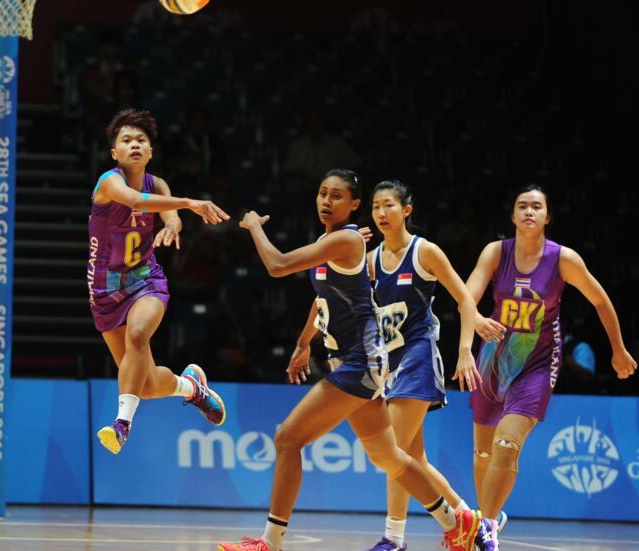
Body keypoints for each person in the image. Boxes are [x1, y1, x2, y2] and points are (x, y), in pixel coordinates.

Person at [219, 169, 481, 551]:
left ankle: (269, 543)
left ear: (353, 205)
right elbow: (321, 299)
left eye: (337, 196)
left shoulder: (344, 240)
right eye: (322, 194)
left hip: (361, 361)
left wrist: (255, 226)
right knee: (389, 456)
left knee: (288, 439)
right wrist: (304, 342)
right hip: (350, 360)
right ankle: (459, 523)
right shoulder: (334, 240)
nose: (327, 201)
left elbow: (277, 266)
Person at [465, 184, 636, 548]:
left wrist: (618, 350)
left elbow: (601, 301)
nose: (529, 211)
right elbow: (467, 297)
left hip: (538, 364)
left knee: (507, 444)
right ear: (512, 216)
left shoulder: (563, 259)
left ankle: (488, 526)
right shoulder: (496, 252)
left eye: (536, 207)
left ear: (547, 217)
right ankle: (486, 516)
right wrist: (471, 336)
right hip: (493, 360)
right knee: (482, 453)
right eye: (522, 206)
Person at [89, 108, 231, 454]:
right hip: (105, 291)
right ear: (115, 153)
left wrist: (172, 224)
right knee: (148, 384)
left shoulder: (159, 185)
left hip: (145, 281)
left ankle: (121, 425)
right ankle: (191, 387)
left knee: (139, 333)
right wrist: (189, 203)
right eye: (126, 140)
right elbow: (137, 202)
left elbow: (170, 218)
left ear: (150, 152)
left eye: (141, 140)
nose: (134, 145)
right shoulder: (109, 182)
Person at [365, 180, 481, 550]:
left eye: (388, 205)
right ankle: (470, 522)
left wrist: (465, 350)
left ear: (406, 210)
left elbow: (465, 300)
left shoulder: (424, 252)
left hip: (419, 356)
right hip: (391, 364)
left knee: (392, 451)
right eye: (375, 207)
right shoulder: (371, 260)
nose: (381, 213)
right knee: (414, 460)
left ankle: (393, 539)